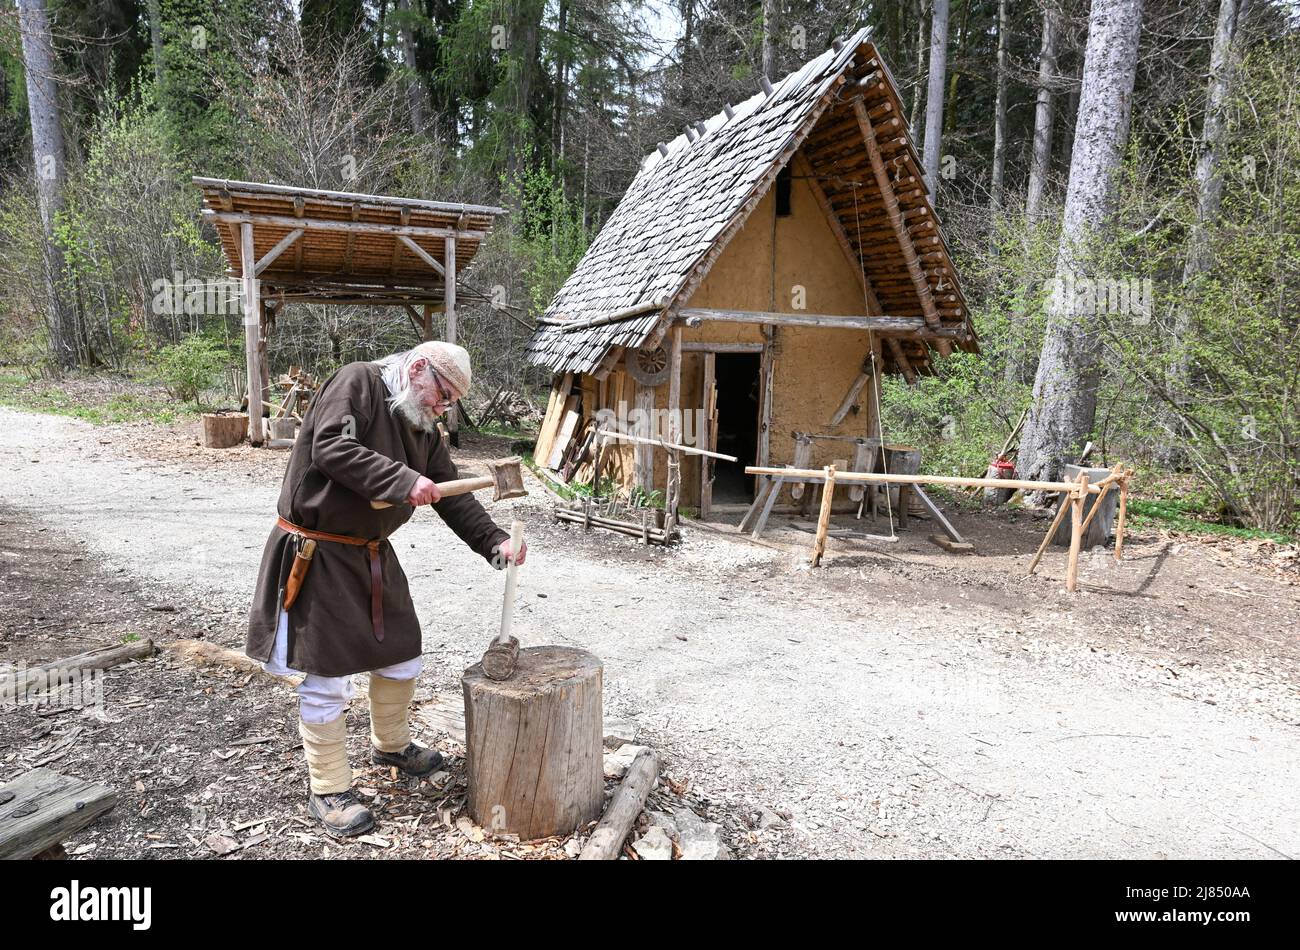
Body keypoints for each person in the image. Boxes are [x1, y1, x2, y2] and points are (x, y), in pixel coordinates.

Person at [245, 341, 526, 837]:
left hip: (371, 553)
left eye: (449, 402)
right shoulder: (358, 383)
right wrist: (401, 479)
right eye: (442, 395)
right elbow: (330, 446)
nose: (443, 408)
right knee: (327, 675)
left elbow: (447, 490)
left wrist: (494, 541)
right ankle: (328, 788)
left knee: (402, 652)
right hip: (318, 552)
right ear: (417, 369)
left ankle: (391, 744)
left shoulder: (420, 422)